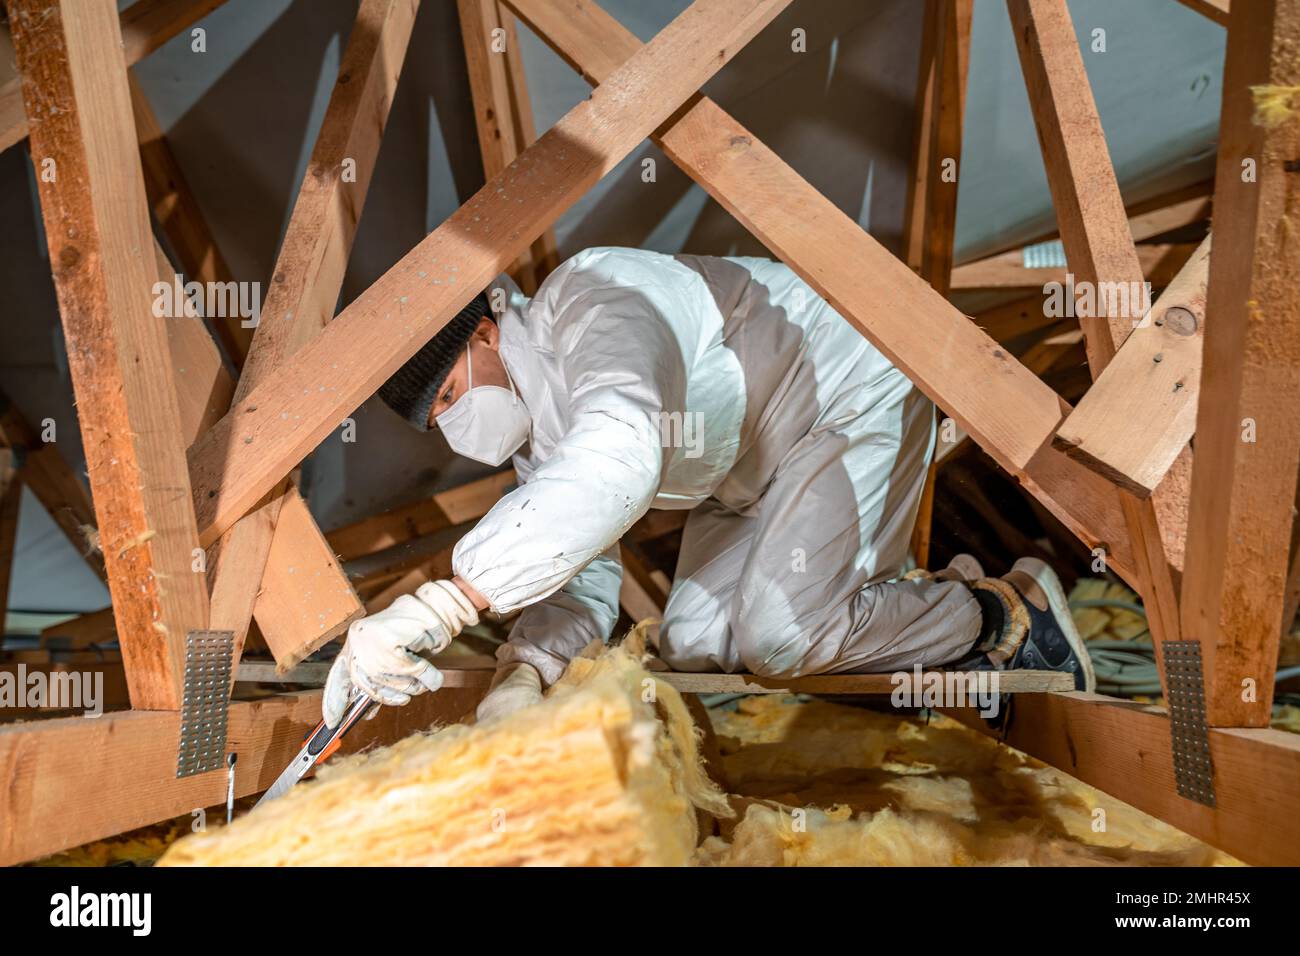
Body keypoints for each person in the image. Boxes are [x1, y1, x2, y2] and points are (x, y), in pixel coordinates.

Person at [322, 248, 1094, 728]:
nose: (455, 427)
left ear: (485, 331)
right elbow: (582, 558)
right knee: (694, 643)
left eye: (451, 395)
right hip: (750, 477)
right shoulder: (541, 431)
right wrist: (525, 669)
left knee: (782, 637)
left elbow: (618, 458)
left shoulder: (591, 297)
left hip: (843, 394)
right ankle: (917, 634)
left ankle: (1004, 614)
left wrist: (447, 603)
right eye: (439, 422)